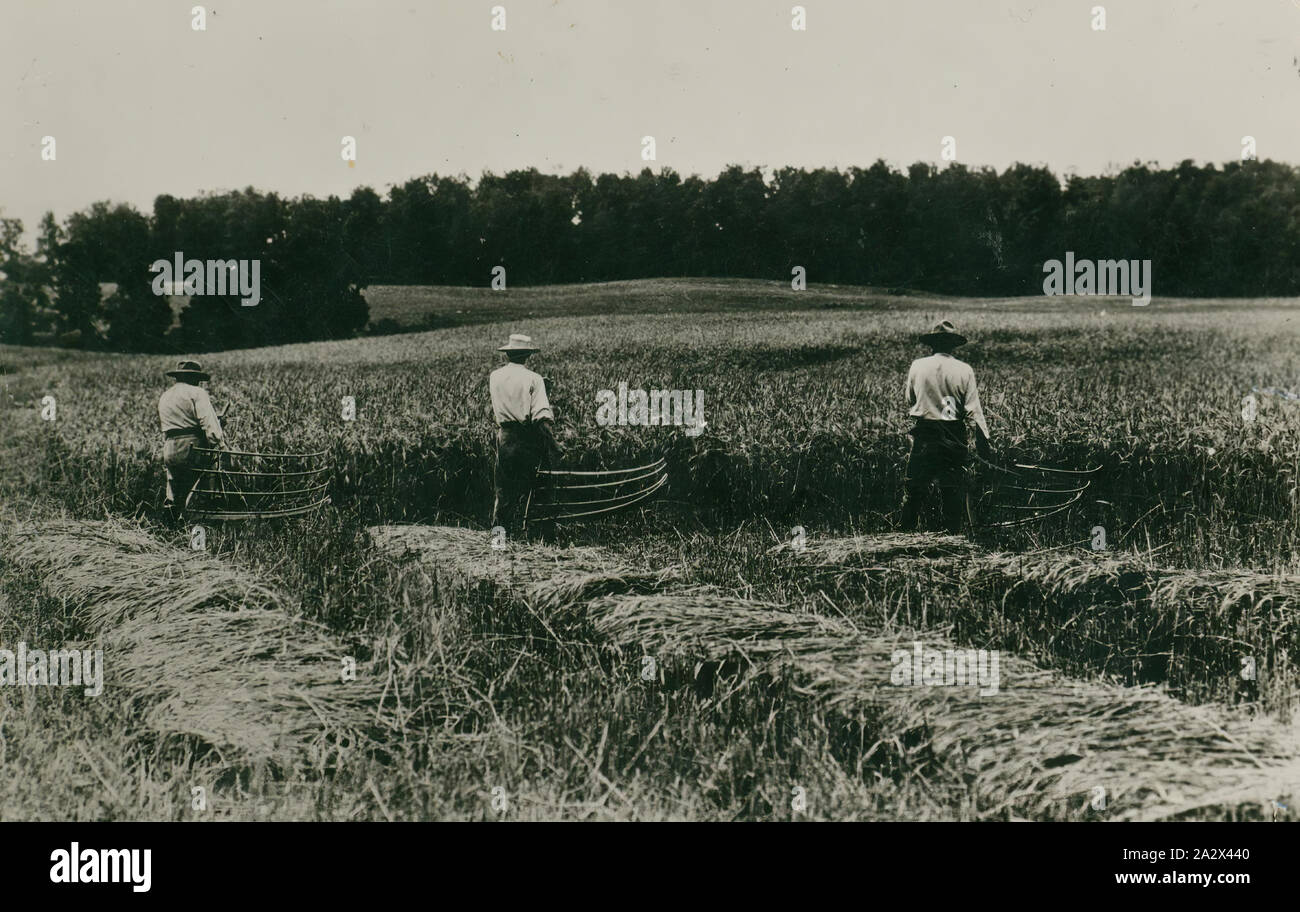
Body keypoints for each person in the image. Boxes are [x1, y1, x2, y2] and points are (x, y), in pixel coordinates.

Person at [899, 320, 992, 534]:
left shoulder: (917, 365)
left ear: (932, 344)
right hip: (953, 435)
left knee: (914, 490)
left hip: (925, 433)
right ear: (953, 345)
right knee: (952, 490)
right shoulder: (964, 369)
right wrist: (984, 445)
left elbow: (910, 399)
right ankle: (951, 538)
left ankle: (902, 538)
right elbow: (974, 411)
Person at [489, 334, 563, 536]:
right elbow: (540, 420)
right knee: (540, 492)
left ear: (508, 354)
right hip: (527, 440)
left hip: (504, 439)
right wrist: (555, 446)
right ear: (528, 355)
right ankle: (538, 542)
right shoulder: (534, 379)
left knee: (503, 494)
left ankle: (498, 543)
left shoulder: (495, 376)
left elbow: (512, 398)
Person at [158, 360, 225, 525]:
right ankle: (204, 518)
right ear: (194, 378)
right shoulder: (197, 392)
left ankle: (171, 523)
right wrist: (220, 443)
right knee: (207, 475)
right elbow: (209, 424)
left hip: (170, 447)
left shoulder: (166, 395)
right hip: (192, 447)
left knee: (175, 484)